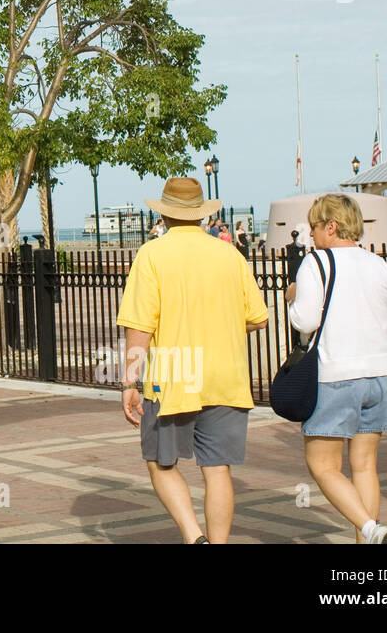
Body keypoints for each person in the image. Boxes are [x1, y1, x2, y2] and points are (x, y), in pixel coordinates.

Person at [117, 177, 269, 543]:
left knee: (159, 461)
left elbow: (139, 326)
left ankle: (192, 536)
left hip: (173, 372)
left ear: (164, 215)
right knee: (217, 469)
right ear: (201, 215)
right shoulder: (230, 254)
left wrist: (129, 381)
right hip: (226, 374)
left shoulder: (152, 254)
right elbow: (258, 317)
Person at [286, 194, 387, 544]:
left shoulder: (316, 262)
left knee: (323, 466)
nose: (312, 234)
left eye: (314, 226)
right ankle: (370, 541)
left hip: (338, 376)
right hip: (383, 376)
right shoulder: (380, 267)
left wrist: (291, 297)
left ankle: (371, 528)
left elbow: (305, 320)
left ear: (330, 227)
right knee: (364, 465)